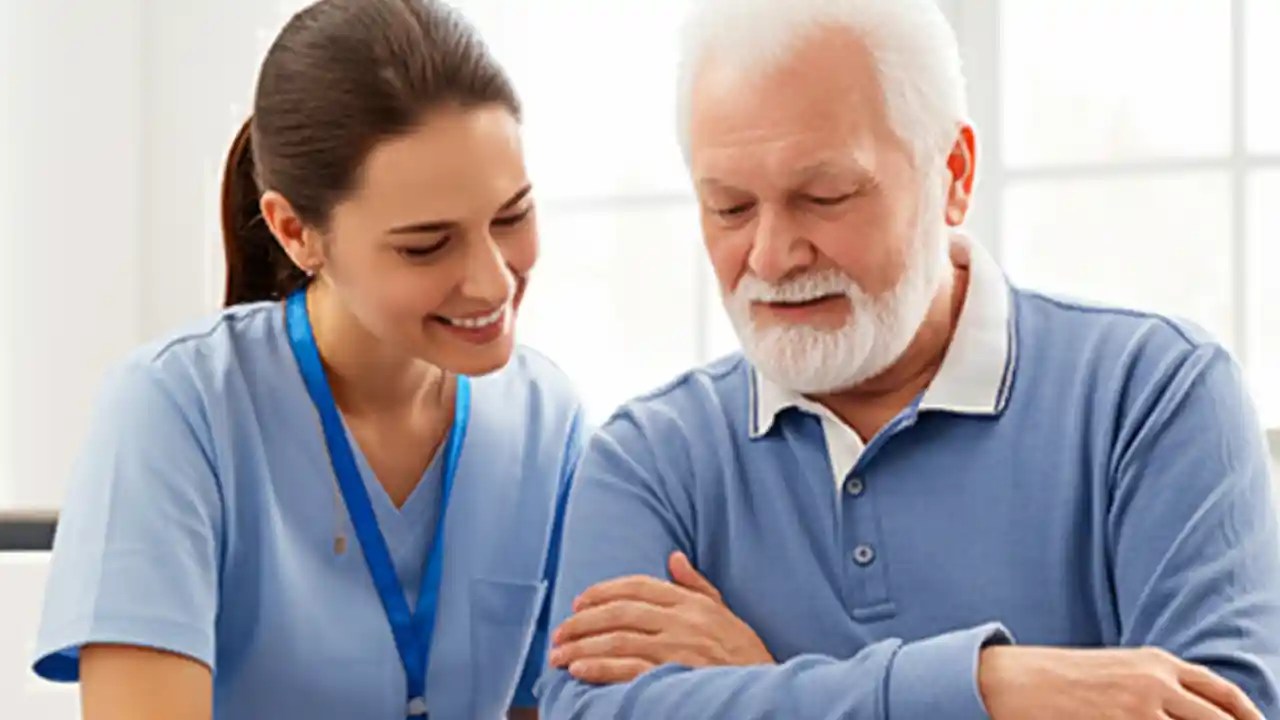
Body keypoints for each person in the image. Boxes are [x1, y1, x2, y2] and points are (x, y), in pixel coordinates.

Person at [539, 1, 1280, 718]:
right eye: (730, 207)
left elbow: (1217, 713)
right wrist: (993, 688)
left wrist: (761, 685)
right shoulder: (649, 460)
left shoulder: (1154, 396)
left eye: (824, 195)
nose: (769, 255)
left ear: (953, 173)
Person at [31, 1, 583, 718]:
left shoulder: (548, 420)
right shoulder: (173, 410)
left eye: (511, 217)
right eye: (426, 245)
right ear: (296, 232)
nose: (494, 281)